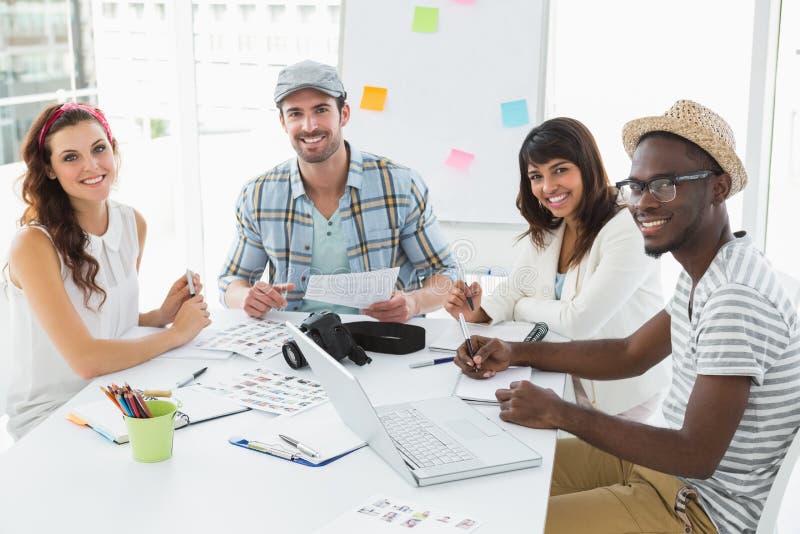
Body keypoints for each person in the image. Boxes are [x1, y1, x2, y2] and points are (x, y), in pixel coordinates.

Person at [455, 100, 800, 534]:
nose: (643, 203)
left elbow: (696, 455)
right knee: (499, 474)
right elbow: (629, 353)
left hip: (697, 508)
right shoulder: (709, 270)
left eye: (666, 185)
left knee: (510, 522)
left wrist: (561, 413)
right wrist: (514, 351)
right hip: (663, 473)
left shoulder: (735, 298)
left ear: (718, 188)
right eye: (636, 187)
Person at [2, 102, 211, 438]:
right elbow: (86, 359)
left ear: (114, 151)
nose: (92, 165)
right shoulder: (33, 245)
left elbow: (98, 320)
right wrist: (174, 334)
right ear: (50, 169)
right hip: (52, 417)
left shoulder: (132, 223)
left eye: (99, 149)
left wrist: (157, 316)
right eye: (71, 157)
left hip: (113, 397)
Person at [446, 117, 667, 419]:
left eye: (560, 170)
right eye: (536, 176)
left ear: (587, 167)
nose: (548, 187)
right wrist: (479, 312)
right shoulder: (553, 224)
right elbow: (515, 289)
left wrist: (522, 307)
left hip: (618, 396)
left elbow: (580, 322)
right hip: (562, 376)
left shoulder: (629, 226)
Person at [219, 60, 456, 322]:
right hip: (293, 344)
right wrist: (246, 298)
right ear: (283, 122)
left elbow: (446, 273)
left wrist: (413, 303)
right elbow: (231, 282)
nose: (309, 126)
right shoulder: (259, 195)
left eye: (321, 110)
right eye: (295, 113)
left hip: (381, 342)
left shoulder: (400, 184)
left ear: (344, 114)